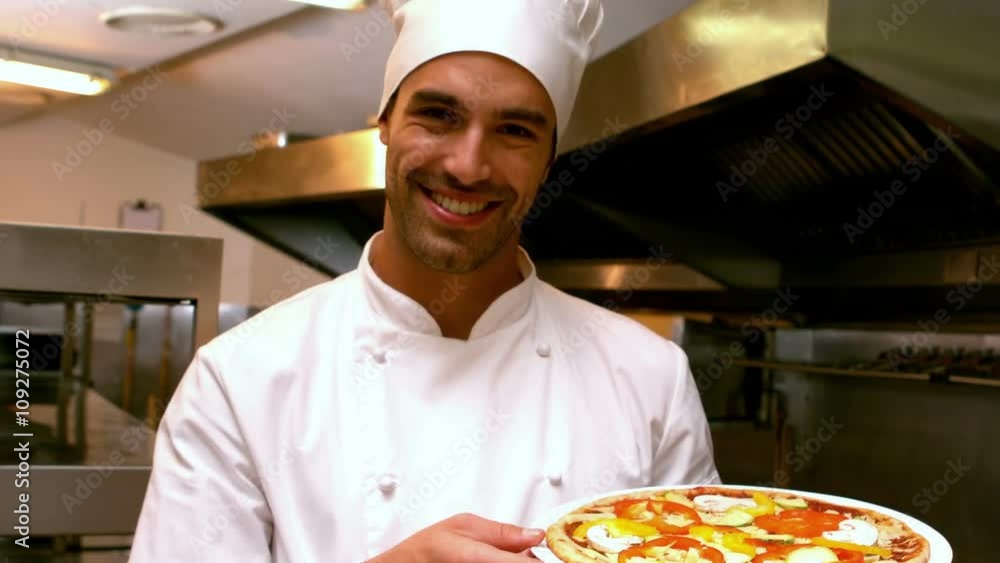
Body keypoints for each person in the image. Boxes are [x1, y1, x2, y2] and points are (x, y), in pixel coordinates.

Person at [129, 0, 720, 561]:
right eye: (438, 115)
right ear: (383, 122)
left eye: (515, 130)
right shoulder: (238, 380)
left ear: (549, 159)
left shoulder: (651, 382)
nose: (468, 165)